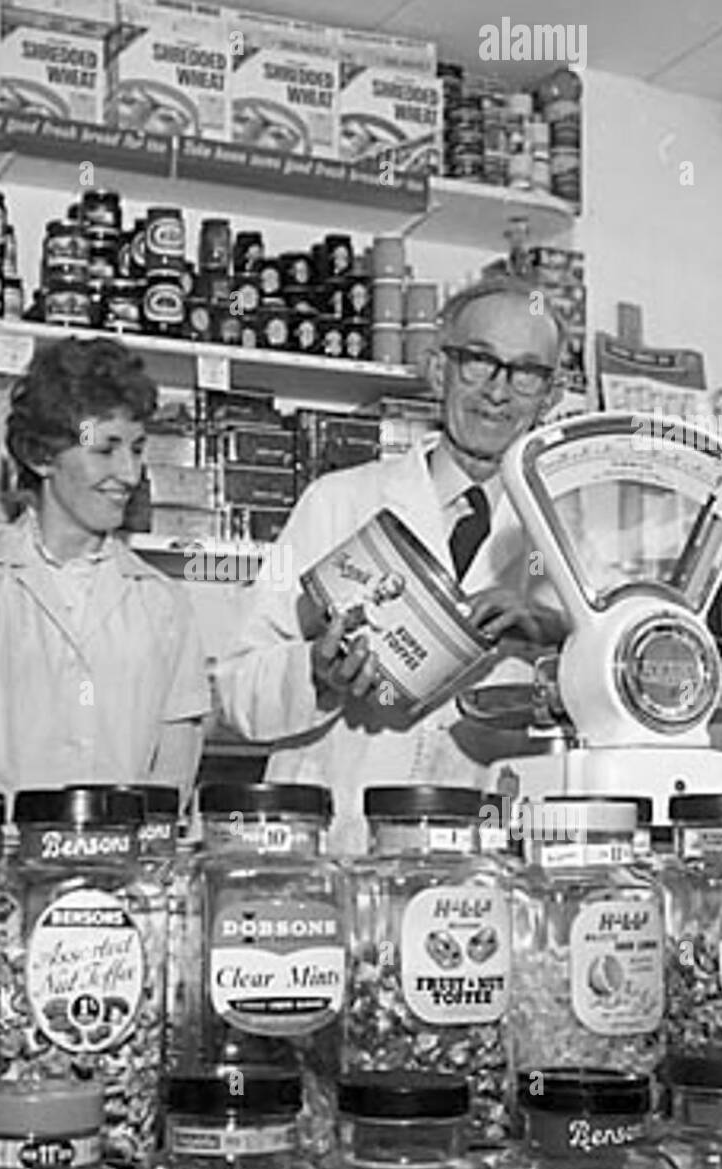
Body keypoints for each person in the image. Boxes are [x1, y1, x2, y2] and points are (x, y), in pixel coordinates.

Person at [214, 276, 569, 853]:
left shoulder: (565, 540)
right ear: (438, 371)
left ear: (551, 397)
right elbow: (236, 690)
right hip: (334, 847)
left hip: (480, 861)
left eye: (527, 372)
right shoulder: (337, 502)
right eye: (479, 361)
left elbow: (613, 706)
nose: (499, 392)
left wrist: (555, 637)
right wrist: (316, 675)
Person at [0, 336, 210, 797]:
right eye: (104, 449)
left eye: (136, 449)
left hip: (121, 864)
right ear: (41, 455)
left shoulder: (163, 603)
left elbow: (172, 778)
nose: (129, 473)